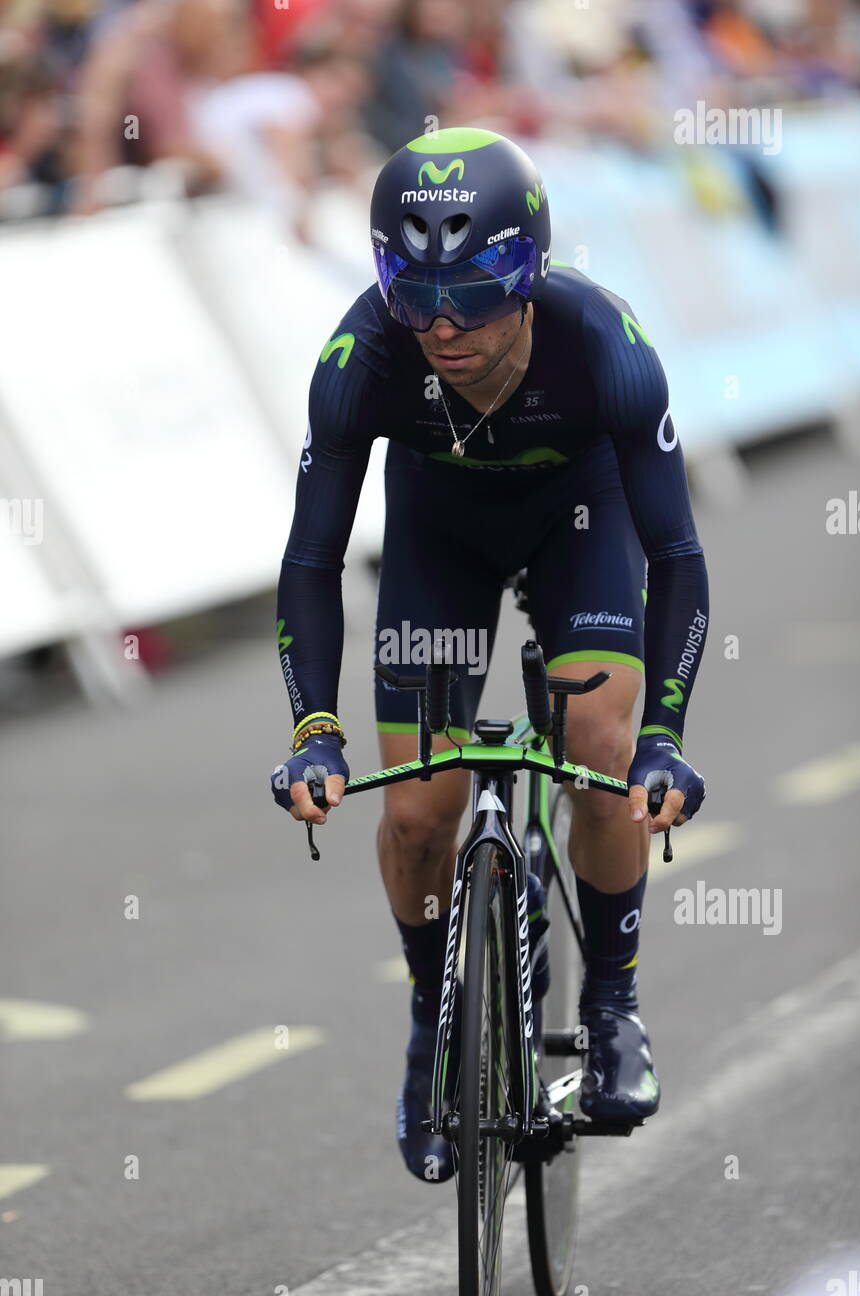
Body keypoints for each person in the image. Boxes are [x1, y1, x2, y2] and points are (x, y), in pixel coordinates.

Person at [271, 127, 707, 1182]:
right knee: (417, 811)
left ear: (525, 278)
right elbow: (313, 560)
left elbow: (677, 556)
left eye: (468, 297)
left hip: (579, 521)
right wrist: (313, 726)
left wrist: (663, 738)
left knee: (599, 744)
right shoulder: (359, 360)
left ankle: (611, 1002)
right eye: (414, 299)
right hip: (440, 537)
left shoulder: (605, 346)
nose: (440, 327)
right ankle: (433, 1025)